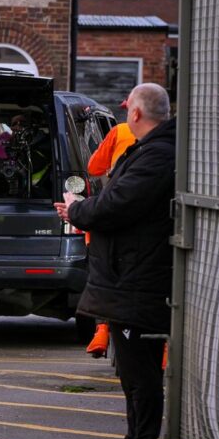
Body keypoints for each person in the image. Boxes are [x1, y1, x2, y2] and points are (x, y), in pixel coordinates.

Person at [54, 83, 175, 439]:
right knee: (130, 371)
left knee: (140, 374)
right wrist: (82, 209)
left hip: (139, 279)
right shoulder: (152, 150)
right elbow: (113, 200)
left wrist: (79, 210)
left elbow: (117, 203)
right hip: (130, 275)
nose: (125, 115)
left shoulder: (157, 155)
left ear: (136, 114)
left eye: (128, 110)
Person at [83, 118, 138, 358]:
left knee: (104, 273)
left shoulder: (120, 131)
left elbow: (94, 167)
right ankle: (166, 347)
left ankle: (102, 329)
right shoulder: (174, 137)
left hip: (116, 216)